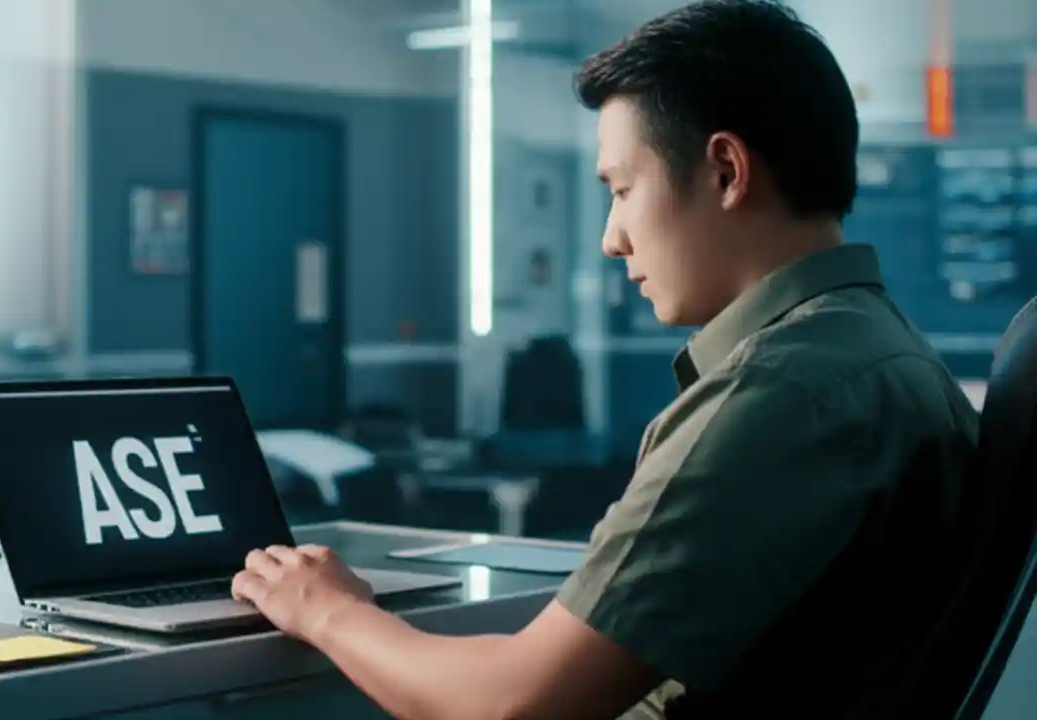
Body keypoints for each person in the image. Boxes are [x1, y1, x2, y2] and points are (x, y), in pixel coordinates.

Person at [230, 1, 979, 717]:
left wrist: (328, 610)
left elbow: (505, 705)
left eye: (623, 189)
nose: (611, 238)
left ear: (725, 171)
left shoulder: (781, 394)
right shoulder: (882, 353)